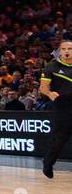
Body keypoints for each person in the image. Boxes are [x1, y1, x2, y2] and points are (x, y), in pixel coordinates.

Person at [38, 38, 72, 179]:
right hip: (62, 106)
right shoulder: (52, 66)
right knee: (60, 139)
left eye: (69, 49)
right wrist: (49, 93)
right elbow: (43, 87)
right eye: (63, 49)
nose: (66, 51)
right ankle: (48, 163)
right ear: (59, 51)